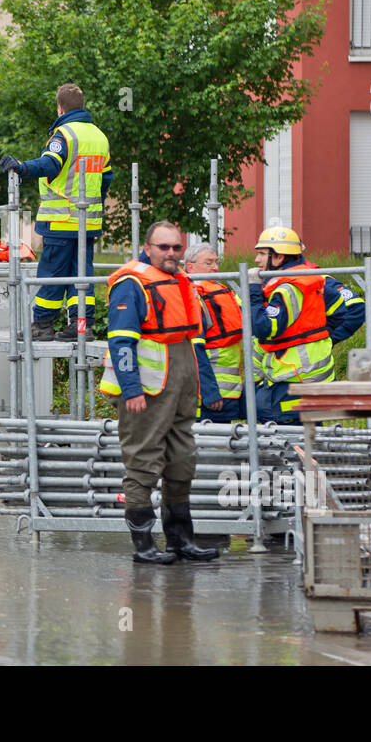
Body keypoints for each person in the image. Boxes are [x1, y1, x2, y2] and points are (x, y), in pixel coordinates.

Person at [100, 221, 222, 564]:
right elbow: (121, 340)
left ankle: (181, 540)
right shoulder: (132, 283)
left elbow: (193, 336)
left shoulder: (180, 281)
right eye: (164, 247)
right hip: (148, 388)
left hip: (180, 381)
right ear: (148, 247)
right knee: (142, 463)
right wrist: (131, 388)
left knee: (182, 459)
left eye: (176, 248)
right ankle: (144, 546)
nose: (171, 253)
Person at [0, 83, 111, 341]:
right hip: (87, 222)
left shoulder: (64, 134)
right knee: (81, 276)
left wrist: (22, 167)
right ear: (82, 105)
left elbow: (50, 164)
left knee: (51, 273)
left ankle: (43, 325)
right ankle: (82, 326)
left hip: (61, 220)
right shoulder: (99, 137)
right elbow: (106, 178)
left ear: (60, 108)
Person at [247, 226, 366, 425]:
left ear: (278, 258)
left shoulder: (292, 285)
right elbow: (338, 314)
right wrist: (315, 336)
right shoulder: (306, 280)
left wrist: (321, 338)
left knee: (292, 442)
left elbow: (263, 327)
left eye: (261, 254)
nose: (256, 260)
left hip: (293, 380)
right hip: (298, 379)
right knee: (307, 440)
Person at [185, 242, 248, 423]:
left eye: (216, 262)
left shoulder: (222, 292)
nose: (215, 268)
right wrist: (209, 392)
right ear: (191, 266)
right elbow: (194, 351)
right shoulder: (193, 298)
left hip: (227, 393)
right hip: (207, 396)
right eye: (208, 263)